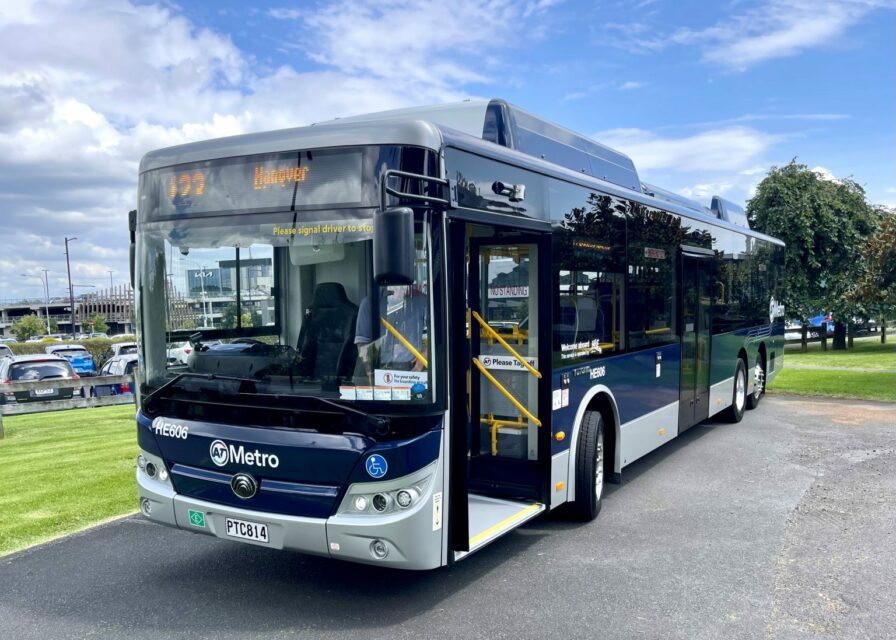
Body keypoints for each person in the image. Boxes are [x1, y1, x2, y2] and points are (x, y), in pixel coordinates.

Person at [355, 285, 426, 372]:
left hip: (411, 370)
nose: (399, 288)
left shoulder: (422, 302)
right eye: (395, 285)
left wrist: (426, 354)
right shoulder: (370, 303)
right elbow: (362, 343)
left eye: (402, 285)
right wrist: (370, 371)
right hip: (378, 367)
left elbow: (436, 336)